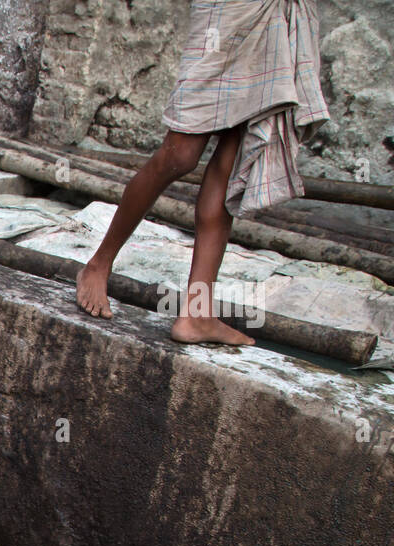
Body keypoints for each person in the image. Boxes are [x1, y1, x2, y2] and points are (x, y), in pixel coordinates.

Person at [75, 0, 329, 345]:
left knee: (234, 154)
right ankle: (98, 263)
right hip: (230, 11)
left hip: (275, 13)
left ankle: (197, 311)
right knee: (180, 154)